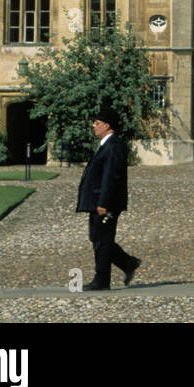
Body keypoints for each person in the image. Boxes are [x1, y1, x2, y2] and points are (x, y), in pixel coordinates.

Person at [75, 108, 141, 290]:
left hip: (105, 203)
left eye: (97, 123)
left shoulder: (114, 145)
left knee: (102, 239)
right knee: (97, 237)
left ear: (107, 125)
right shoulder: (107, 144)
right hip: (98, 200)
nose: (93, 126)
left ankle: (102, 279)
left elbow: (111, 176)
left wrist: (104, 202)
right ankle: (128, 263)